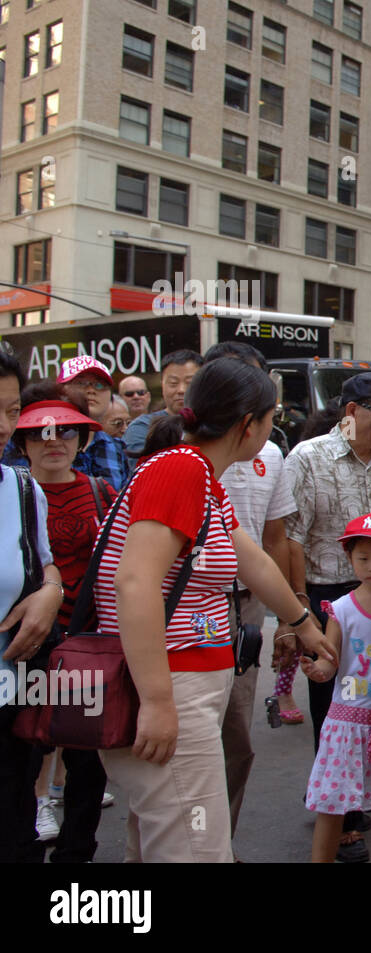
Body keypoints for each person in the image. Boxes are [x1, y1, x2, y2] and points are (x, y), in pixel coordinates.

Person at [93, 357, 333, 863]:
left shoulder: (201, 476)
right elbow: (135, 584)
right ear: (249, 425)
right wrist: (158, 702)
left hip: (186, 683)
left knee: (160, 843)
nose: (272, 431)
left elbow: (253, 562)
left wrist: (304, 625)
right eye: (271, 419)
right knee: (196, 850)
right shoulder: (181, 469)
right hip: (172, 684)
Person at [284, 371, 371, 862]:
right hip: (326, 594)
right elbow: (290, 537)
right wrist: (295, 612)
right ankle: (342, 813)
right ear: (352, 412)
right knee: (332, 707)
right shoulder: (307, 457)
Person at [12, 387, 114, 862]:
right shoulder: (11, 494)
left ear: (81, 437)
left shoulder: (102, 492)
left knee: (85, 760)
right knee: (23, 755)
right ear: (23, 440)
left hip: (85, 646)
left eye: (65, 431)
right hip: (27, 648)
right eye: (39, 433)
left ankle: (77, 854)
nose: (54, 441)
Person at [203, 342, 297, 842]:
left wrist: (289, 618)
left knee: (236, 735)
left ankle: (219, 843)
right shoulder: (180, 451)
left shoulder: (272, 454)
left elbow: (272, 540)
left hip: (245, 608)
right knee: (184, 740)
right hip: (187, 608)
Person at [301, 513, 371, 863]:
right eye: (362, 558)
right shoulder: (342, 610)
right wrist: (318, 670)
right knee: (332, 802)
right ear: (349, 559)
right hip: (347, 725)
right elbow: (330, 661)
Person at [0, 344, 63, 864]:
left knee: (15, 826)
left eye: (9, 409)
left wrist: (50, 593)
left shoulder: (23, 490)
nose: (3, 424)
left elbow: (45, 566)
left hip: (11, 692)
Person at [54, 357, 130, 492]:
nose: (91, 390)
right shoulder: (43, 440)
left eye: (99, 385)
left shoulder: (117, 448)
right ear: (60, 391)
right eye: (81, 383)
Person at [122, 349, 202, 457]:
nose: (181, 390)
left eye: (189, 383)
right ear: (162, 386)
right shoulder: (143, 426)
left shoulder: (215, 426)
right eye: (173, 383)